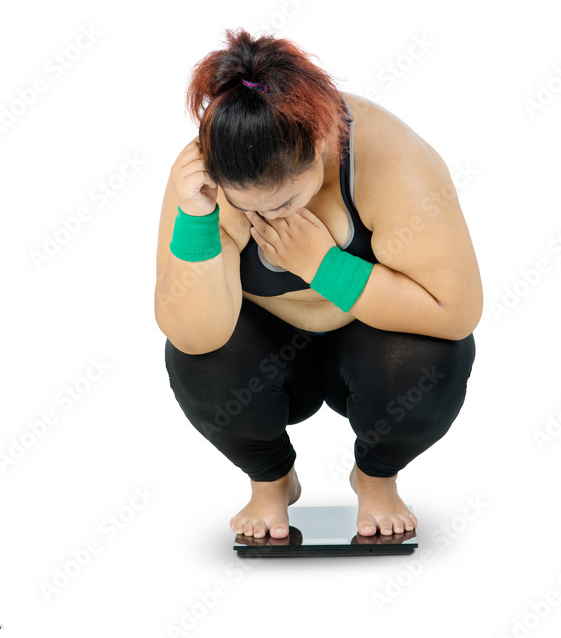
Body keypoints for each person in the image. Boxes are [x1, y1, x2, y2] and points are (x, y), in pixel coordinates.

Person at [155, 28, 481, 540]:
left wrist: (323, 266)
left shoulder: (390, 157)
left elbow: (455, 312)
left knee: (431, 357)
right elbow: (193, 335)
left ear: (323, 143)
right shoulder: (206, 173)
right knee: (198, 363)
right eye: (247, 206)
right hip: (272, 357)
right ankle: (272, 482)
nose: (266, 218)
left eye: (283, 202)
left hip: (371, 344)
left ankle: (376, 479)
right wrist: (198, 217)